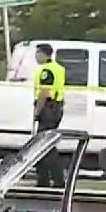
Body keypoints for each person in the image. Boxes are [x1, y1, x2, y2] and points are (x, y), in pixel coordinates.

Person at [32, 43, 67, 188]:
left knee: (44, 145)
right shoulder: (58, 68)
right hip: (56, 108)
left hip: (48, 109)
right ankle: (44, 179)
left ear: (43, 54)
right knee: (45, 145)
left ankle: (55, 180)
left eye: (37, 53)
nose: (36, 56)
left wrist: (37, 112)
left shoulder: (46, 71)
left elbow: (44, 93)